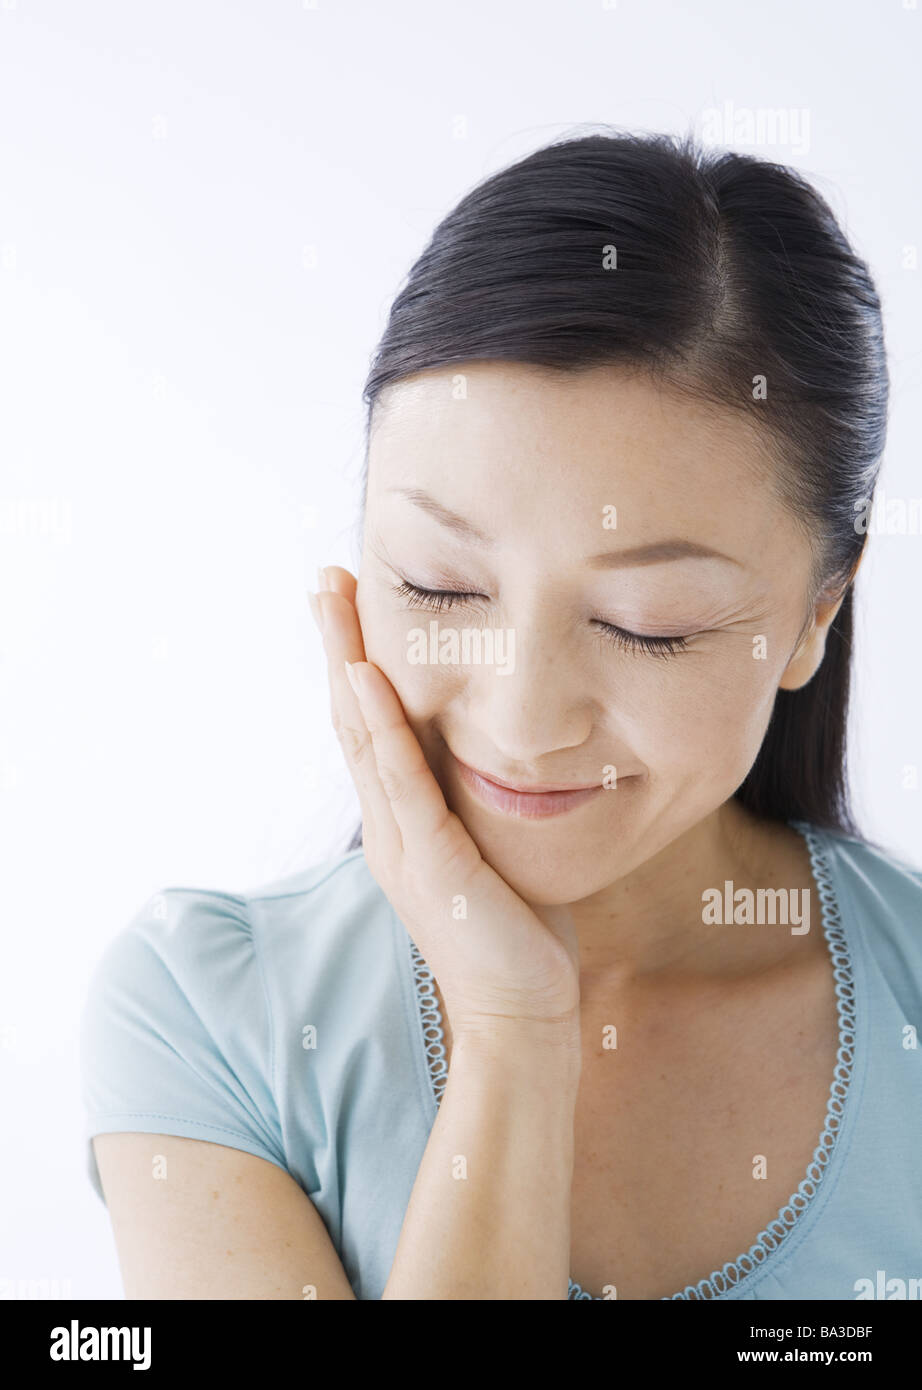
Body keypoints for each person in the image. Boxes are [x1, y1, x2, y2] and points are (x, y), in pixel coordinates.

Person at [80, 129, 922, 1301]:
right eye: (438, 582)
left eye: (648, 621)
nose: (523, 720)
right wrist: (512, 1038)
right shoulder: (207, 1014)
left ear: (816, 613)